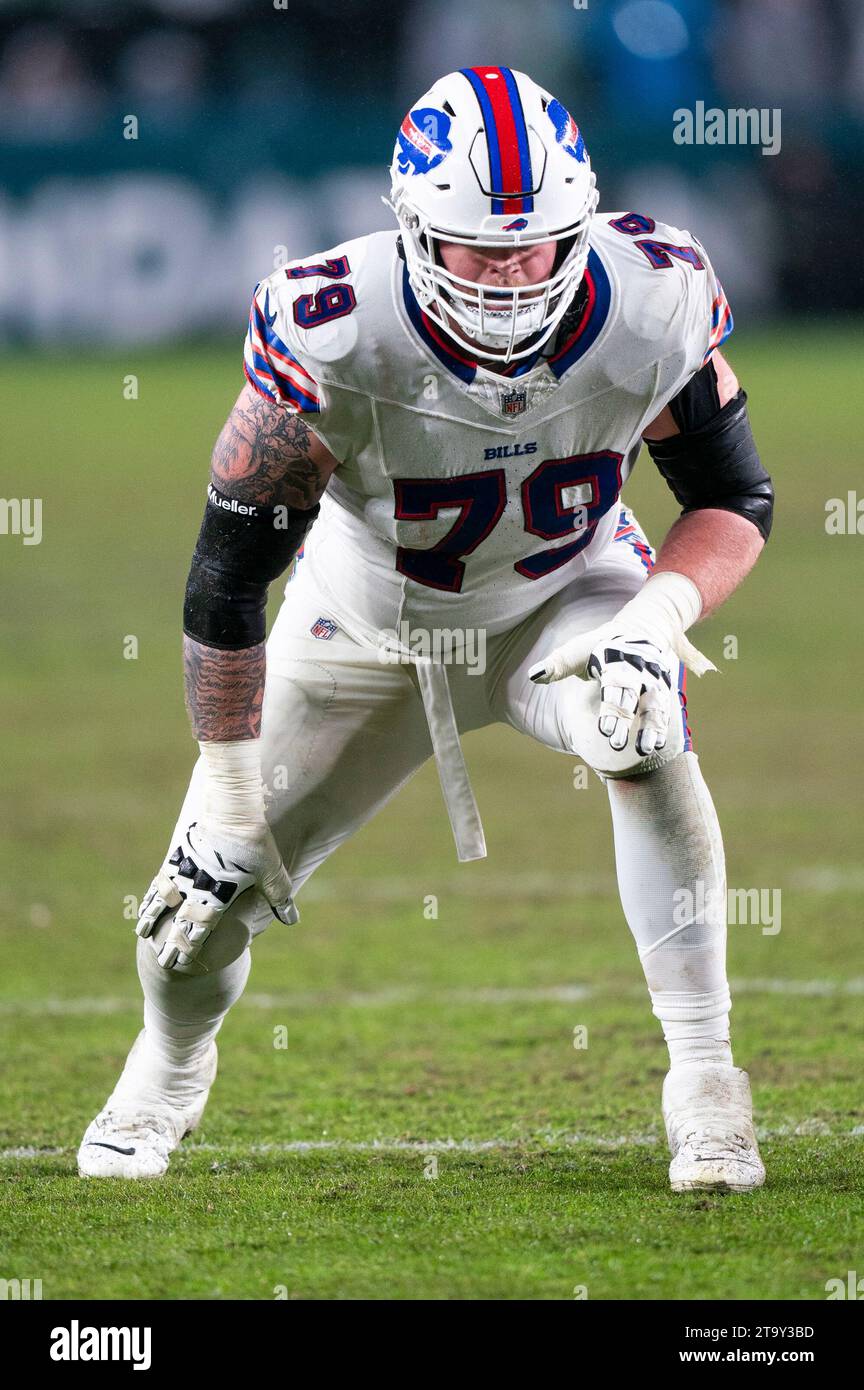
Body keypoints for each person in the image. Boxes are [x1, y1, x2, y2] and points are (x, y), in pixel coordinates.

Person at [78, 68, 773, 1191]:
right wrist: (235, 792)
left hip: (566, 592)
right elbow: (222, 586)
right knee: (193, 915)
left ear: (582, 225)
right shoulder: (334, 328)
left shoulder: (653, 293)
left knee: (641, 722)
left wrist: (657, 615)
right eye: (477, 249)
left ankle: (706, 1085)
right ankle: (166, 1067)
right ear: (412, 231)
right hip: (365, 627)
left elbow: (735, 502)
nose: (509, 276)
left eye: (536, 245)